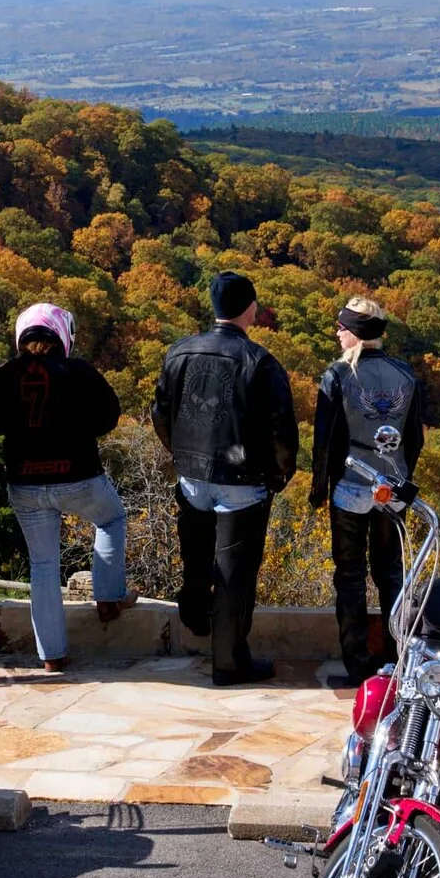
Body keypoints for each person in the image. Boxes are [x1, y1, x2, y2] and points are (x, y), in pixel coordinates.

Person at [153, 271, 299, 687]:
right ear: (250, 309)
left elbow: (161, 412)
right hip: (241, 480)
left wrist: (178, 454)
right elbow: (281, 431)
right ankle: (229, 663)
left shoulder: (179, 352)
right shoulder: (260, 362)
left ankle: (195, 615)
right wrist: (280, 473)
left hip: (192, 474)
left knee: (196, 554)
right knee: (235, 572)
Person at [0, 302, 137, 673]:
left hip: (24, 481)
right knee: (111, 519)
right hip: (78, 475)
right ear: (61, 335)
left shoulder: (3, 375)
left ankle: (52, 656)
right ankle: (108, 598)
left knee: (43, 565)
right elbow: (108, 416)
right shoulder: (79, 371)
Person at [308, 295, 425, 685]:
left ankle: (357, 664)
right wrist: (403, 477)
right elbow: (415, 438)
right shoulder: (405, 374)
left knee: (350, 575)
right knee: (391, 573)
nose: (337, 333)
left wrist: (318, 487)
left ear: (355, 333)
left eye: (341, 327)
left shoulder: (338, 375)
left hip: (351, 484)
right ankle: (398, 659)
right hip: (392, 485)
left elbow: (324, 439)